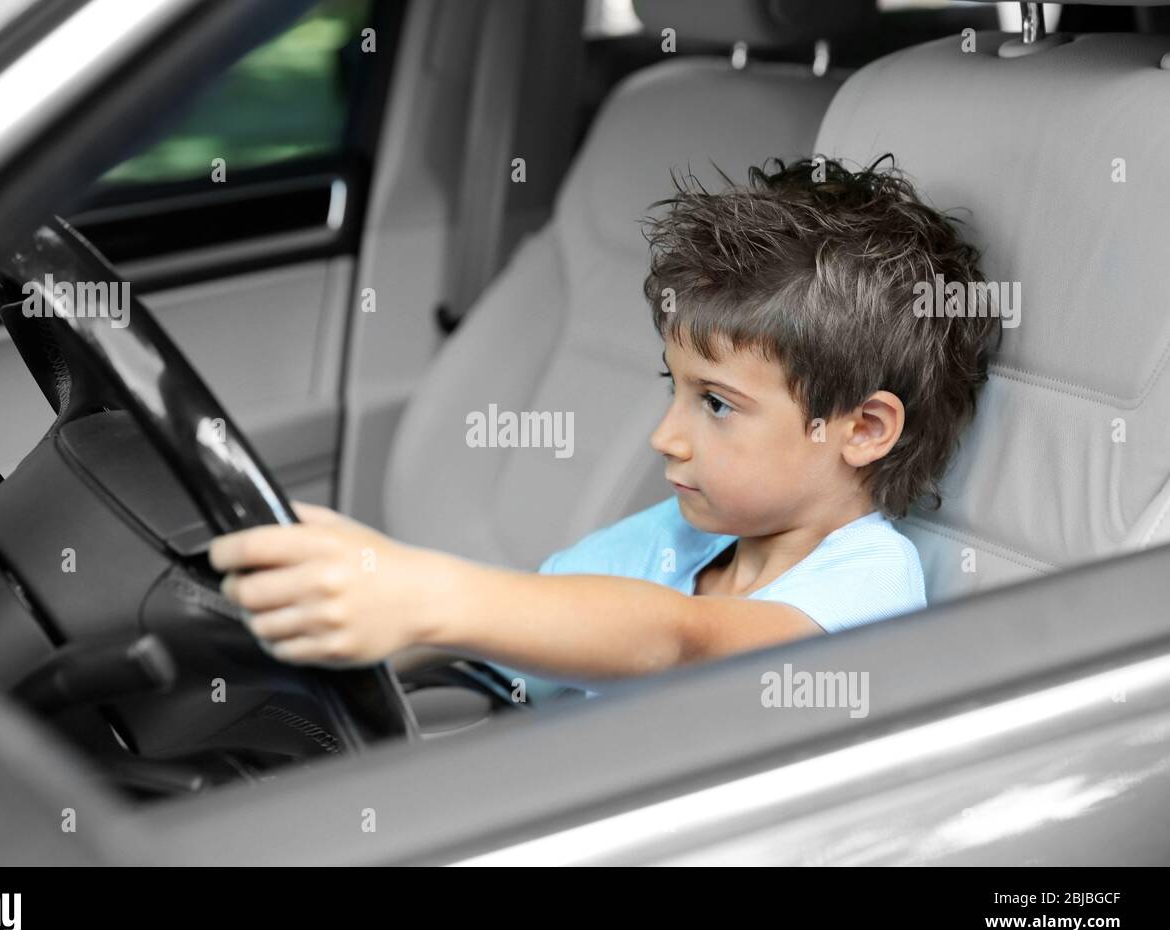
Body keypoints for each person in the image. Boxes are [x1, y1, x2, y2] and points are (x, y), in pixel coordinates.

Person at [209, 156, 1002, 703]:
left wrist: (429, 595)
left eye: (715, 403)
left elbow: (682, 643)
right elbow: (528, 620)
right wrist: (344, 623)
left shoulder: (869, 583)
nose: (664, 437)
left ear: (862, 429)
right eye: (674, 389)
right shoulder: (686, 536)